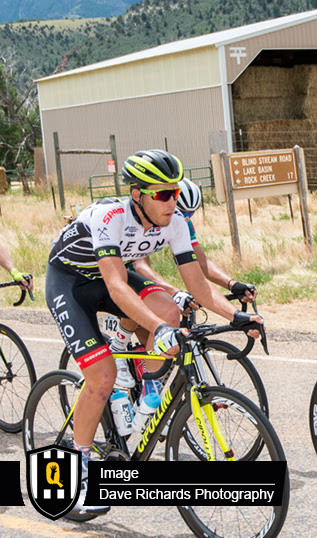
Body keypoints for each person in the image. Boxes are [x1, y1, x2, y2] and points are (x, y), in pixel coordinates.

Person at [45, 149, 263, 518]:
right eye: (163, 194)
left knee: (171, 311)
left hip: (107, 278)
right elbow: (116, 286)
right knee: (101, 378)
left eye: (175, 192)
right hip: (70, 283)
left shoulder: (175, 221)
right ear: (138, 195)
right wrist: (159, 328)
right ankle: (80, 469)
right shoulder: (110, 216)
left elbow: (199, 287)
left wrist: (237, 315)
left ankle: (136, 392)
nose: (172, 201)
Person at [109, 178, 257, 388]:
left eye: (191, 214)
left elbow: (201, 263)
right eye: (183, 212)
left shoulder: (181, 222)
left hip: (140, 279)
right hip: (123, 271)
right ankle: (120, 349)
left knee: (165, 346)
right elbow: (141, 267)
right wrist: (175, 292)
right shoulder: (146, 217)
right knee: (159, 321)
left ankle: (152, 399)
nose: (185, 218)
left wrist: (232, 284)